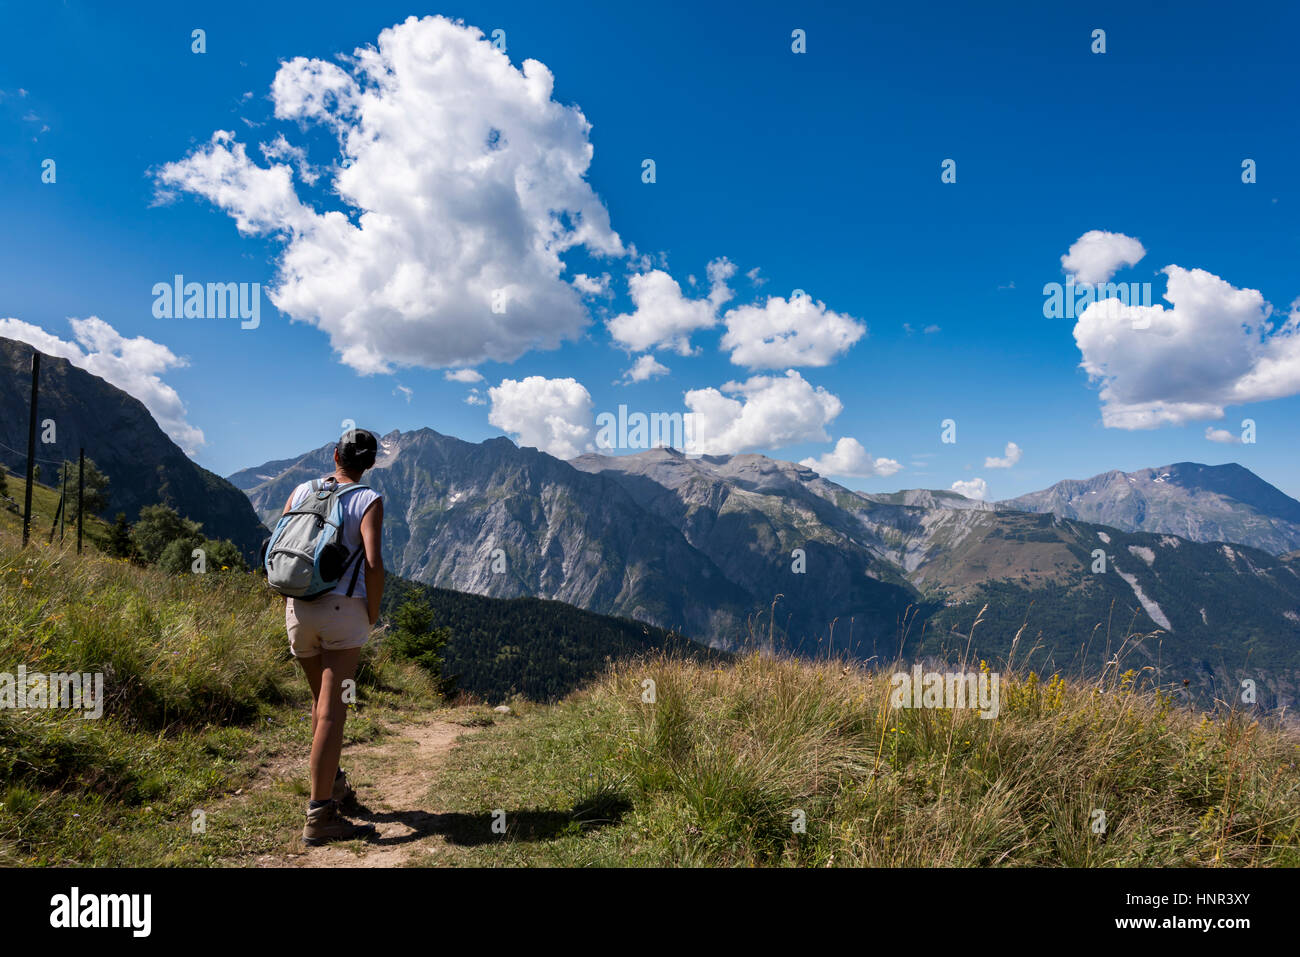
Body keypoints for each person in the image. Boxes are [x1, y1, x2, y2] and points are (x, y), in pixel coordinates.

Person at [281, 428, 385, 845]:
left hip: (297, 610)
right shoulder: (368, 499)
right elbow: (374, 564)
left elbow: (284, 547)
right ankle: (319, 815)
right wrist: (372, 613)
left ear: (334, 454)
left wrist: (291, 606)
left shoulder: (302, 489)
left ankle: (335, 785)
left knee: (320, 706)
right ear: (370, 464)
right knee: (332, 712)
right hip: (343, 613)